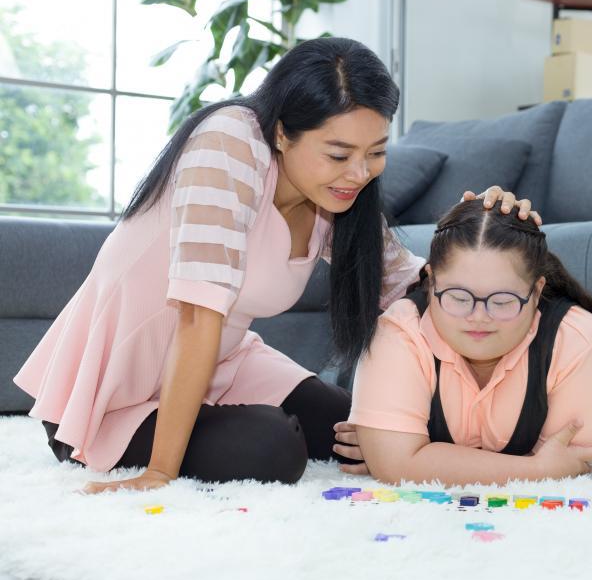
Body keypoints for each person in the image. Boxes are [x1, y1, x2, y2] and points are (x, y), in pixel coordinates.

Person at [13, 37, 538, 494]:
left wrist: (485, 229)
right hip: (116, 391)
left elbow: (411, 287)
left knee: (347, 427)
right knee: (272, 448)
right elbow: (197, 317)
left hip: (224, 365)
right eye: (338, 154)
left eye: (375, 152)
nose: (358, 173)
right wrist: (159, 475)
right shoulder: (229, 141)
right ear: (283, 133)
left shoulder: (335, 197)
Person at [348, 199, 592, 486]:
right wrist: (537, 469)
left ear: (537, 291)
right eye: (459, 298)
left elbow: (569, 465)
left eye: (502, 301)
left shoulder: (580, 342)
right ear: (431, 281)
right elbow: (395, 463)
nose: (478, 317)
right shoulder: (399, 330)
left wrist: (418, 457)